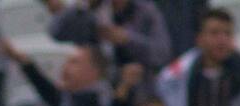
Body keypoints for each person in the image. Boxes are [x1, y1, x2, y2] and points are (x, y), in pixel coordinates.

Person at [45, 0, 173, 75]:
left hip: (139, 90)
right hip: (101, 90)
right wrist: (81, 7)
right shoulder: (90, 11)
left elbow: (162, 54)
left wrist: (127, 39)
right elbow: (57, 33)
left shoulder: (144, 10)